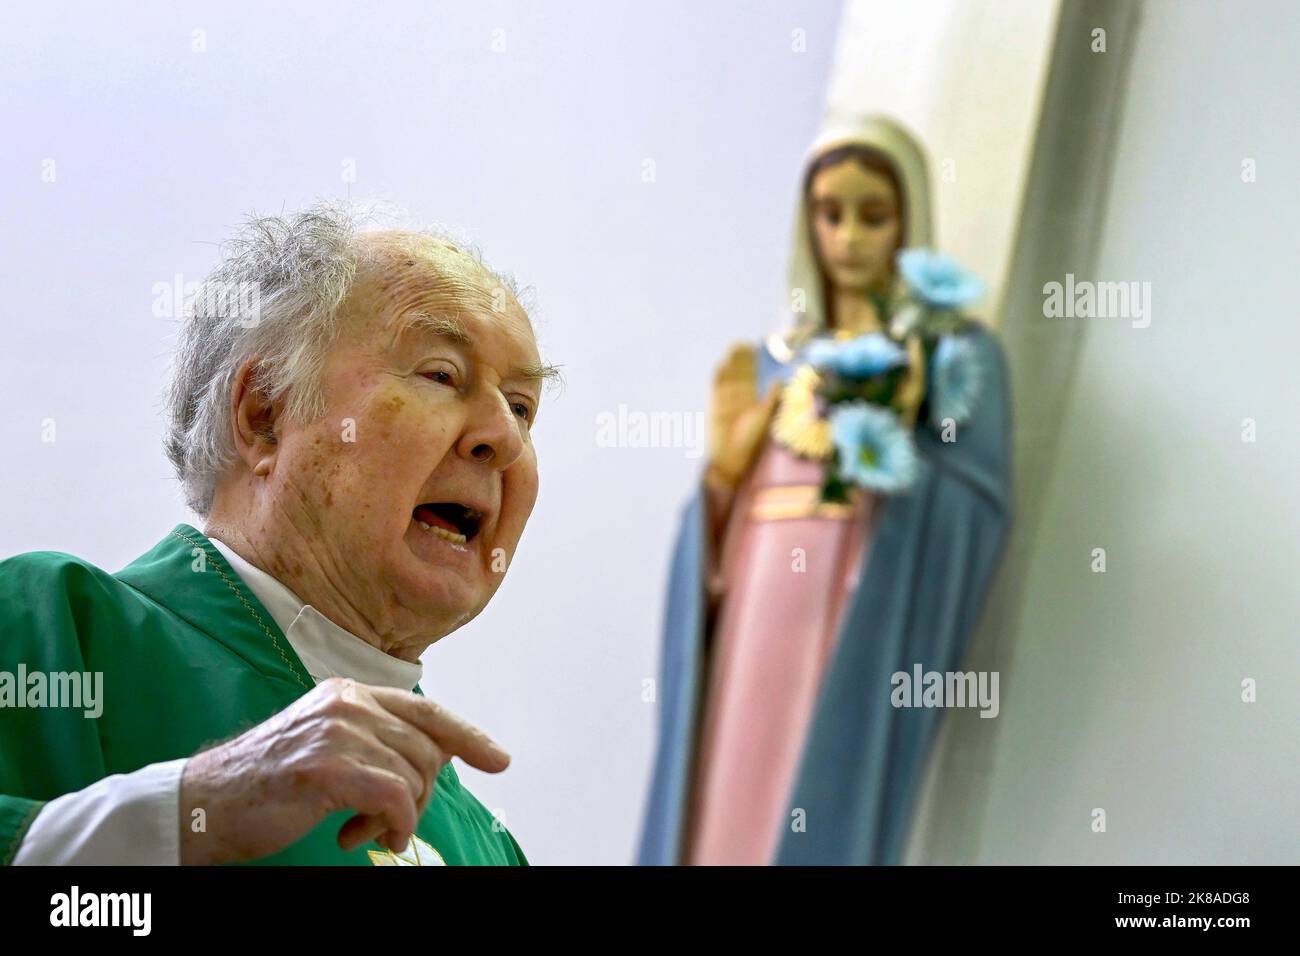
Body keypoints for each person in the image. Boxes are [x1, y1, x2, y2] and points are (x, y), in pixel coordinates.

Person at [0, 203, 556, 865]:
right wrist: (191, 808)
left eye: (522, 407)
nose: (503, 436)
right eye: (441, 374)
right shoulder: (54, 631)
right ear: (264, 414)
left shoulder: (484, 843)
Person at [638, 116, 1013, 865]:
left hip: (854, 607)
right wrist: (720, 479)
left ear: (909, 220)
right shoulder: (771, 365)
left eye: (872, 215)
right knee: (731, 774)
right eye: (829, 213)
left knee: (815, 772)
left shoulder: (950, 358)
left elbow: (977, 504)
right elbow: (706, 533)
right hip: (757, 602)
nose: (847, 237)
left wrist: (906, 439)